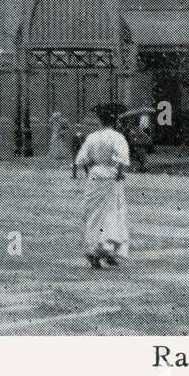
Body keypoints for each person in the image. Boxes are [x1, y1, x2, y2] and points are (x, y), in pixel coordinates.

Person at [75, 105, 132, 270]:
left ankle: (92, 250)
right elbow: (122, 160)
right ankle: (107, 247)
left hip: (95, 175)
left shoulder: (92, 137)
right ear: (115, 121)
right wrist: (119, 173)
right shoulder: (117, 137)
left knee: (93, 214)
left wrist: (90, 171)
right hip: (110, 176)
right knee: (111, 213)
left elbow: (81, 160)